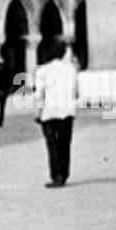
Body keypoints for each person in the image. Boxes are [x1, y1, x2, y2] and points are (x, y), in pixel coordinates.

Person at [34, 39, 78, 187]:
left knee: (52, 145)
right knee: (65, 144)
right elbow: (75, 92)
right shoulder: (71, 70)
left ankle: (56, 175)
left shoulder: (42, 71)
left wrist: (39, 113)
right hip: (67, 111)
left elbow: (40, 94)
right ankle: (64, 174)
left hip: (49, 112)